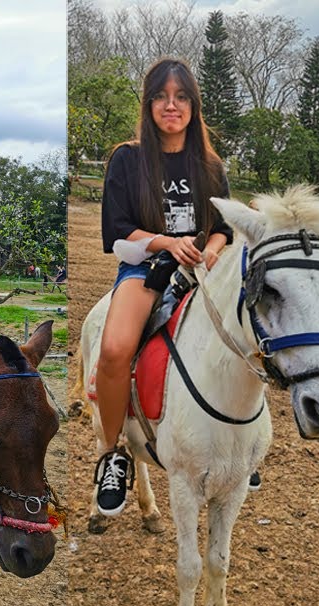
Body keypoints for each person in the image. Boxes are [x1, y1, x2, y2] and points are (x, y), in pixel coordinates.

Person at [92, 57, 234, 516]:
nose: (171, 106)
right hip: (147, 269)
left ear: (193, 105)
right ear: (148, 104)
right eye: (160, 96)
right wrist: (167, 242)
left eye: (181, 97)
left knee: (247, 335)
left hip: (201, 271)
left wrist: (210, 251)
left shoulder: (210, 165)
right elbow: (117, 230)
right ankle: (112, 453)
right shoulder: (128, 159)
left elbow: (223, 228)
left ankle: (240, 440)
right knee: (115, 350)